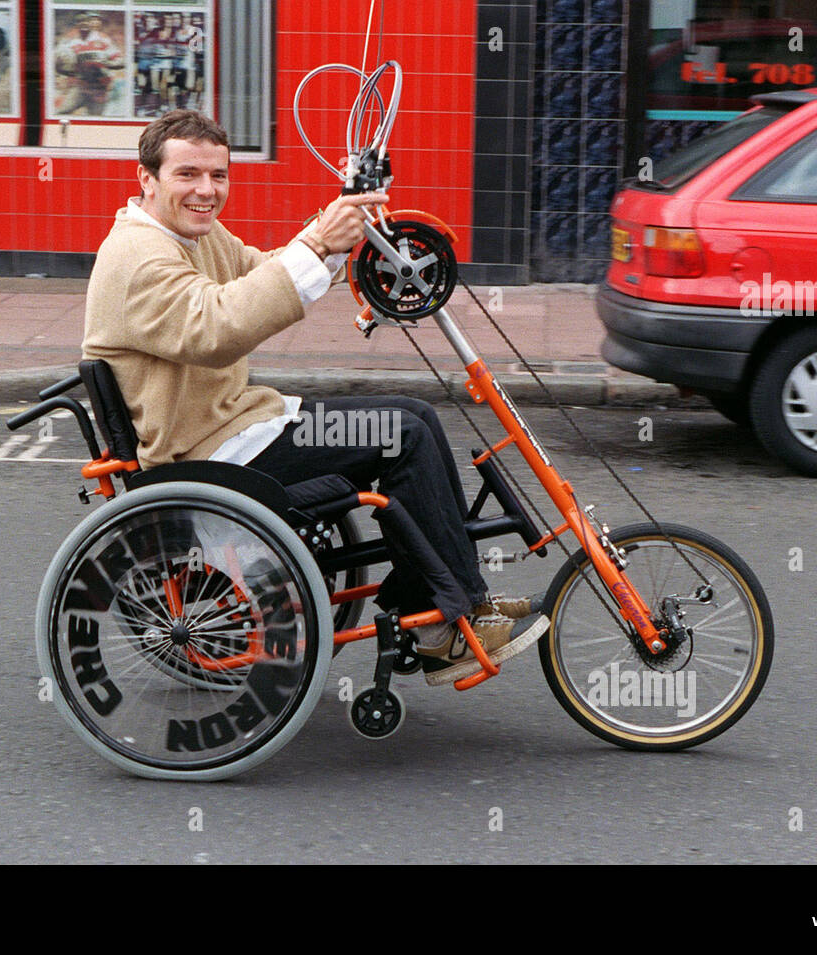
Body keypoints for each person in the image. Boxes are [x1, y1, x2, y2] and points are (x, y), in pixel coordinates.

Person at [81, 110, 546, 686]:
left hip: (238, 429)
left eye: (219, 176)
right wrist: (321, 240)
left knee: (414, 416)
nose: (207, 191)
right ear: (147, 179)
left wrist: (335, 235)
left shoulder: (186, 234)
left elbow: (263, 271)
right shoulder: (139, 255)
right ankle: (439, 626)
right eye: (188, 174)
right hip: (207, 457)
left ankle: (457, 602)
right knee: (404, 434)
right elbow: (218, 326)